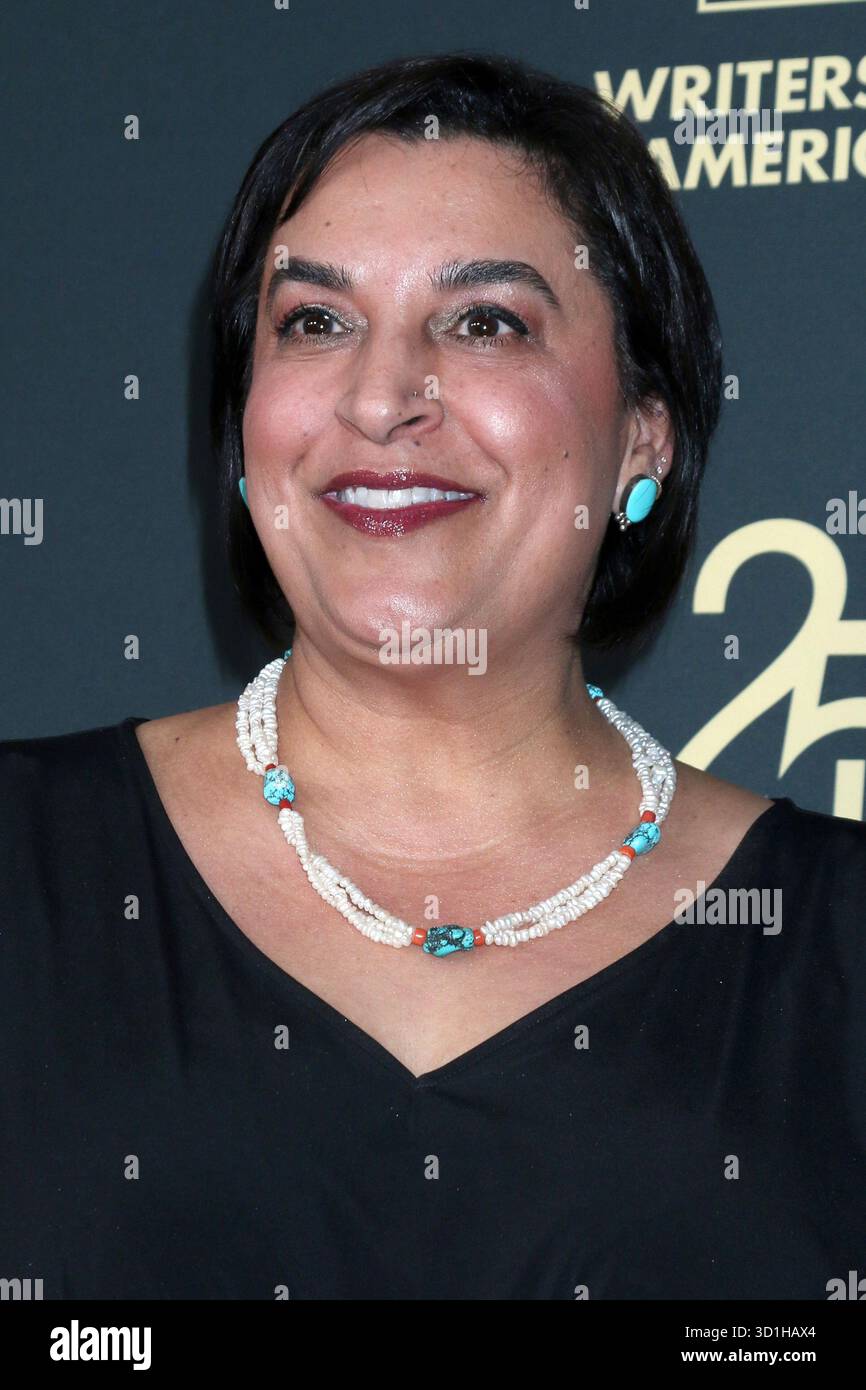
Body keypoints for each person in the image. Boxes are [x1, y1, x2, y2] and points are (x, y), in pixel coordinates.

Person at [1, 52, 864, 1302]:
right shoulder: (28, 871)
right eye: (315, 321)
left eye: (483, 322)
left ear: (642, 436)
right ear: (243, 437)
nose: (380, 397)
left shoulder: (831, 950)